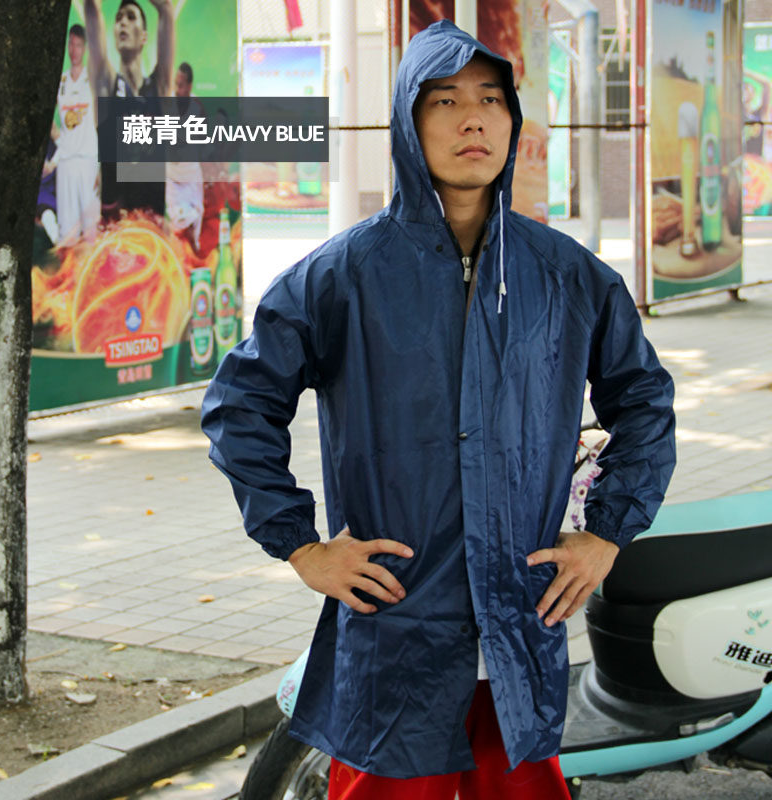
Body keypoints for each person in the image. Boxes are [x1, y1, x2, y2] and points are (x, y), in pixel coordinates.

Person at [201, 21, 675, 800]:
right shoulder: (344, 276)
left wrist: (605, 534)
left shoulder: (567, 277)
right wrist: (301, 546)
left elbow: (645, 399)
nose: (472, 119)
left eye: (491, 99)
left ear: (512, 121)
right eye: (445, 101)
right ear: (406, 122)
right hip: (397, 627)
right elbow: (240, 403)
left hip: (519, 617)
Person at [84, 0, 174, 218]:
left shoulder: (158, 88)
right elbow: (92, 8)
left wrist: (163, 6)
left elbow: (166, 9)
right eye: (118, 19)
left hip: (151, 230)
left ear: (144, 36)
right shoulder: (107, 86)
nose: (123, 22)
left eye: (131, 17)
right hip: (116, 231)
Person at [54, 24, 100, 241]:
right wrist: (59, 140)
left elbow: (103, 121)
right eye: (71, 44)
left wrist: (102, 165)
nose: (74, 50)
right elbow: (48, 118)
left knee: (92, 228)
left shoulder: (93, 80)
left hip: (88, 160)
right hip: (66, 162)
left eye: (78, 45)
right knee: (67, 229)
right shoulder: (60, 81)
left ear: (85, 48)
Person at [166, 61, 204, 252]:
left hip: (192, 176)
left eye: (181, 85)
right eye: (176, 84)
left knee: (195, 223)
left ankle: (194, 255)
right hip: (173, 178)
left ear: (189, 86)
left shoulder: (197, 107)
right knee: (178, 225)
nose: (177, 89)